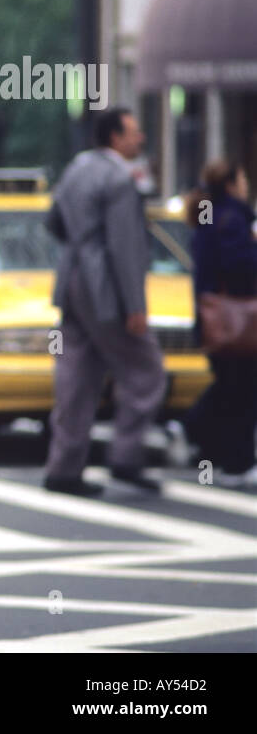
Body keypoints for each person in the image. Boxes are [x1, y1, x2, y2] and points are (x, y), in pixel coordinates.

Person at [43, 107, 167, 496]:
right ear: (115, 137)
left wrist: (80, 245)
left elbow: (53, 223)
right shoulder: (120, 178)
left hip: (72, 278)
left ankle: (63, 468)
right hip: (106, 287)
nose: (140, 139)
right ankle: (126, 456)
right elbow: (125, 246)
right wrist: (135, 305)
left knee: (76, 376)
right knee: (147, 370)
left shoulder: (76, 168)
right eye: (133, 132)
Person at [185, 160, 257, 487]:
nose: (246, 184)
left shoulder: (210, 216)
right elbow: (241, 267)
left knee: (231, 387)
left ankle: (204, 440)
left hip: (216, 318)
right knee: (241, 390)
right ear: (231, 183)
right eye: (243, 178)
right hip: (235, 320)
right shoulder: (231, 218)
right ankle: (234, 461)